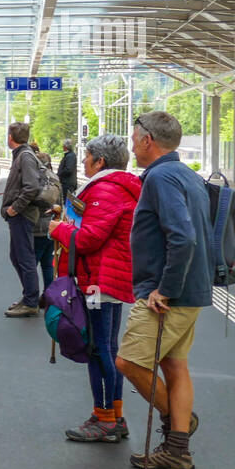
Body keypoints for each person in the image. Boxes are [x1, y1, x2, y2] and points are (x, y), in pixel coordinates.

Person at [115, 111, 210, 469]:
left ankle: (178, 428)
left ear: (147, 140)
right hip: (192, 289)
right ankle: (177, 452)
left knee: (130, 362)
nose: (133, 144)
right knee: (174, 365)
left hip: (168, 295)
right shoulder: (186, 174)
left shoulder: (161, 178)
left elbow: (182, 237)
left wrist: (164, 289)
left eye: (135, 137)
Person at [49, 134, 142, 442]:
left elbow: (89, 238)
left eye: (87, 156)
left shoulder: (105, 189)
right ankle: (115, 415)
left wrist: (59, 229)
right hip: (108, 278)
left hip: (98, 280)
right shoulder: (119, 187)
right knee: (108, 349)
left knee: (99, 350)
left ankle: (104, 419)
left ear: (100, 161)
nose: (84, 161)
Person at [1, 121, 45, 317]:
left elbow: (31, 187)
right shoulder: (22, 155)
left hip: (22, 215)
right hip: (21, 215)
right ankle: (29, 297)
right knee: (17, 256)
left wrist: (14, 209)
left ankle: (30, 301)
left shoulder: (25, 157)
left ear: (11, 138)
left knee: (25, 258)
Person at [34, 152, 56, 292]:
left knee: (31, 265)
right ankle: (48, 296)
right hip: (53, 228)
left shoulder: (36, 179)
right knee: (48, 265)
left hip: (37, 228)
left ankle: (31, 298)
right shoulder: (55, 178)